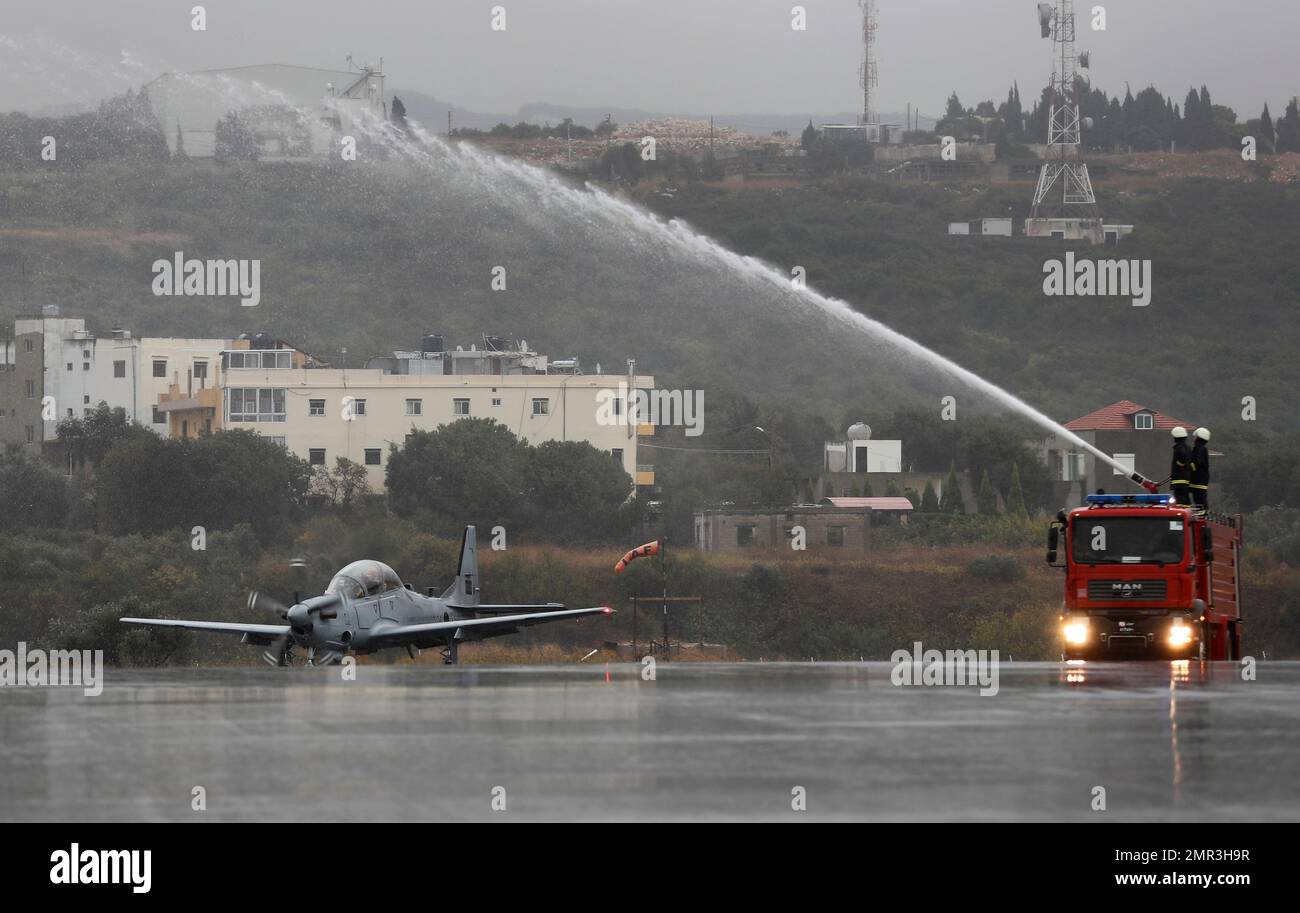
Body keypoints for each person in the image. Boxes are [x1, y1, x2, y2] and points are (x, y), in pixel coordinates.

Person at [1169, 426, 1192, 506]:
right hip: (1186, 479)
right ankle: (1188, 512)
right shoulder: (1188, 447)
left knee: (1180, 500)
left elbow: (1182, 456)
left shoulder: (1179, 447)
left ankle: (1182, 513)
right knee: (1186, 499)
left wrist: (1180, 464)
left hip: (1179, 479)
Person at [1190, 427, 1211, 510]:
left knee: (1200, 502)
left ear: (1199, 438)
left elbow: (1198, 463)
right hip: (1198, 480)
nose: (1194, 439)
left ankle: (1204, 516)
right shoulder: (1199, 448)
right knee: (1198, 501)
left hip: (1199, 481)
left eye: (1196, 437)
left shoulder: (1201, 449)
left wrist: (1190, 466)